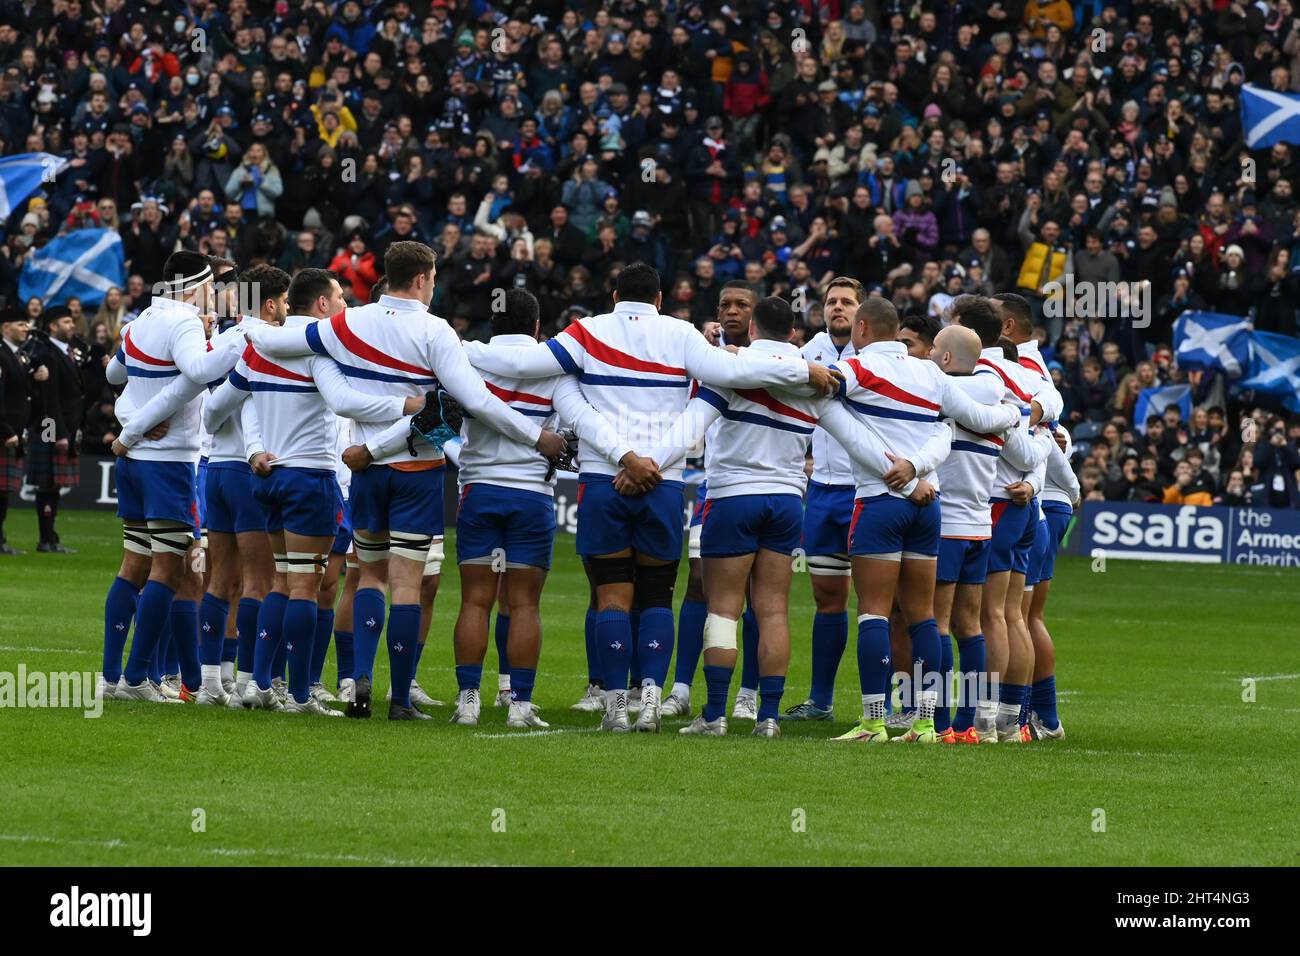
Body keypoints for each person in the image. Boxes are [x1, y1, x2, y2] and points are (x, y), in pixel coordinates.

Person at [460, 262, 842, 732]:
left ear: (614, 293)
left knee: (612, 597)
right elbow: (732, 371)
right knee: (659, 597)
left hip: (605, 480)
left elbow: (520, 365)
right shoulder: (682, 334)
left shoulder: (588, 332)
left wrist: (456, 346)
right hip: (662, 482)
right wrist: (804, 367)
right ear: (660, 299)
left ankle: (616, 706)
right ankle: (652, 702)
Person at [247, 241, 567, 721]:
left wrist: (242, 321)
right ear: (422, 278)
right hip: (417, 471)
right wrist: (533, 434)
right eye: (434, 278)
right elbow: (470, 403)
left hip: (365, 471)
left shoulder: (346, 323)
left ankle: (357, 679)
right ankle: (399, 700)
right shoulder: (435, 331)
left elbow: (276, 346)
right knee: (406, 585)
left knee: (367, 576)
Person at [365, 289, 622, 729]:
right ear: (538, 327)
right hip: (531, 497)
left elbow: (435, 420)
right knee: (523, 605)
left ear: (493, 323)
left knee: (475, 601)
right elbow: (572, 429)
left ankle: (468, 702)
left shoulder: (468, 360)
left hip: (480, 492)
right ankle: (519, 704)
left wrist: (386, 450)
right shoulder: (553, 369)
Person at [26, 308, 85, 553]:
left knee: (54, 485)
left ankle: (50, 537)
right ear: (52, 326)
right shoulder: (47, 353)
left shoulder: (67, 352)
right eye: (67, 321)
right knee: (49, 484)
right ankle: (45, 539)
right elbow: (49, 399)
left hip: (66, 428)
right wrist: (57, 434)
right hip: (52, 429)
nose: (72, 325)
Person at [0, 310, 36, 555]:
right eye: (21, 323)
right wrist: (5, 431)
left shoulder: (18, 355)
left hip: (14, 432)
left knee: (3, 493)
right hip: (5, 433)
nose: (26, 328)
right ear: (5, 328)